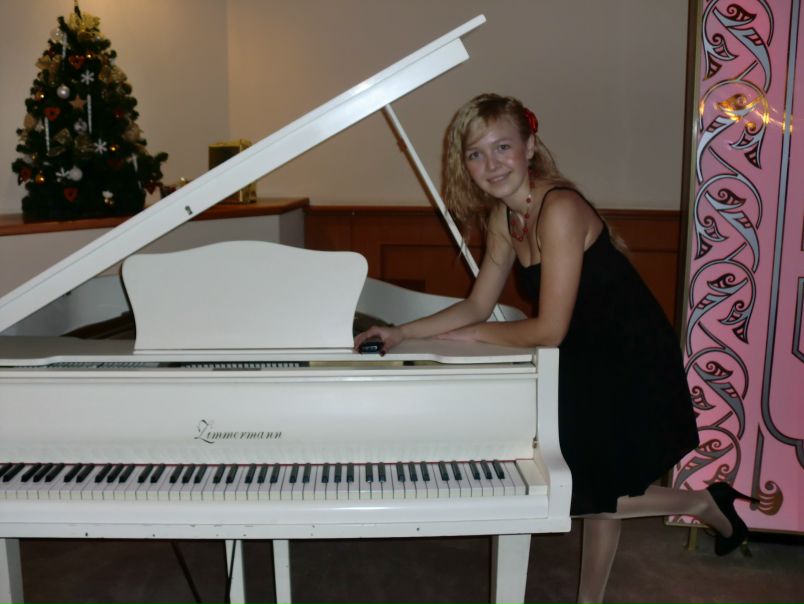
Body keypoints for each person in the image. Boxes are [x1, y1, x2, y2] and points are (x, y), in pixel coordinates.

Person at [354, 93, 757, 603]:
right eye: (476, 154)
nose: (491, 164)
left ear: (530, 147)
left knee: (585, 491)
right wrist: (401, 332)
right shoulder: (503, 218)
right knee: (596, 485)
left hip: (628, 356)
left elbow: (546, 330)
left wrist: (475, 335)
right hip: (581, 354)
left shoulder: (559, 209)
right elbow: (477, 304)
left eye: (502, 147)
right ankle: (631, 565)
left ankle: (700, 505)